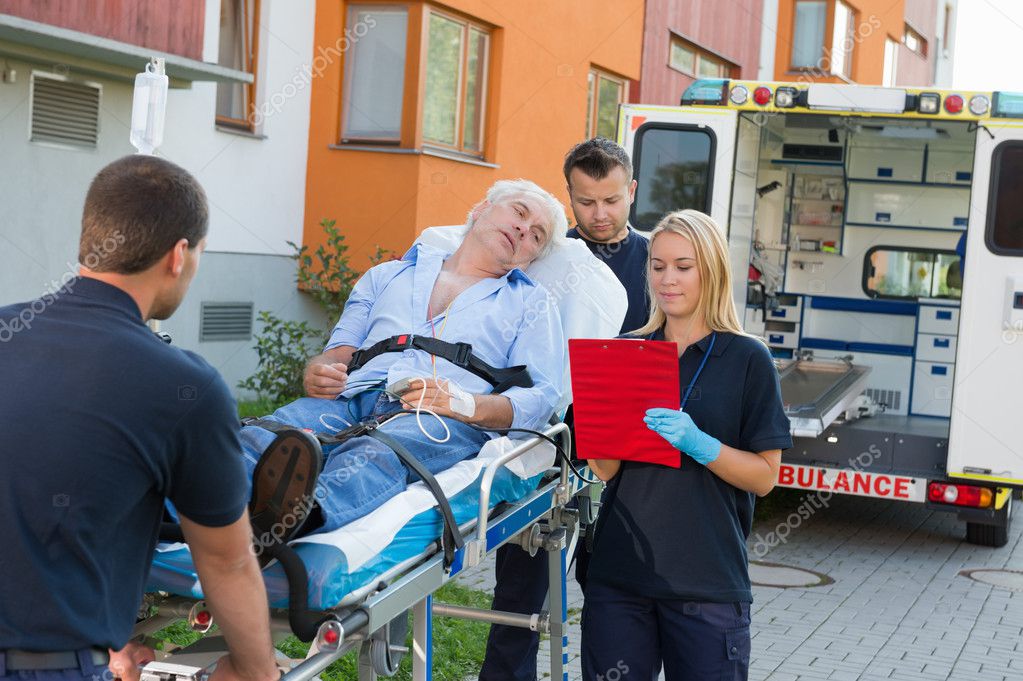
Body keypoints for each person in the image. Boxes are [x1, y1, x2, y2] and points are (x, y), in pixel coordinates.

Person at [0, 156, 279, 681]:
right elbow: (226, 561)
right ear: (179, 255)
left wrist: (101, 644)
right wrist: (254, 671)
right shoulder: (184, 387)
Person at [241, 179, 567, 540]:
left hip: (435, 419)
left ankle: (289, 523)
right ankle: (193, 511)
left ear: (531, 257)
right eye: (519, 212)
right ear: (480, 210)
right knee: (264, 433)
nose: (523, 229)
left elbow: (541, 397)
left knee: (373, 454)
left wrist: (464, 404)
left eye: (536, 235)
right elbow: (339, 352)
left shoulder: (531, 302)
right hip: (350, 399)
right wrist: (319, 372)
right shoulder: (385, 275)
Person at [580, 210, 793, 681]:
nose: (667, 279)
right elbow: (606, 472)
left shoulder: (747, 358)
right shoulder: (626, 351)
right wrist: (599, 419)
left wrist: (700, 444)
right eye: (657, 266)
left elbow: (764, 478)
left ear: (711, 270)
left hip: (707, 583)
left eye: (683, 266)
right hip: (621, 579)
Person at [481, 138, 649, 681]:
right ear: (568, 197)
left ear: (633, 192)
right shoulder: (547, 260)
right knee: (520, 591)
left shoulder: (661, 261)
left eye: (612, 200)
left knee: (616, 593)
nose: (599, 215)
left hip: (629, 448)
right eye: (585, 202)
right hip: (549, 444)